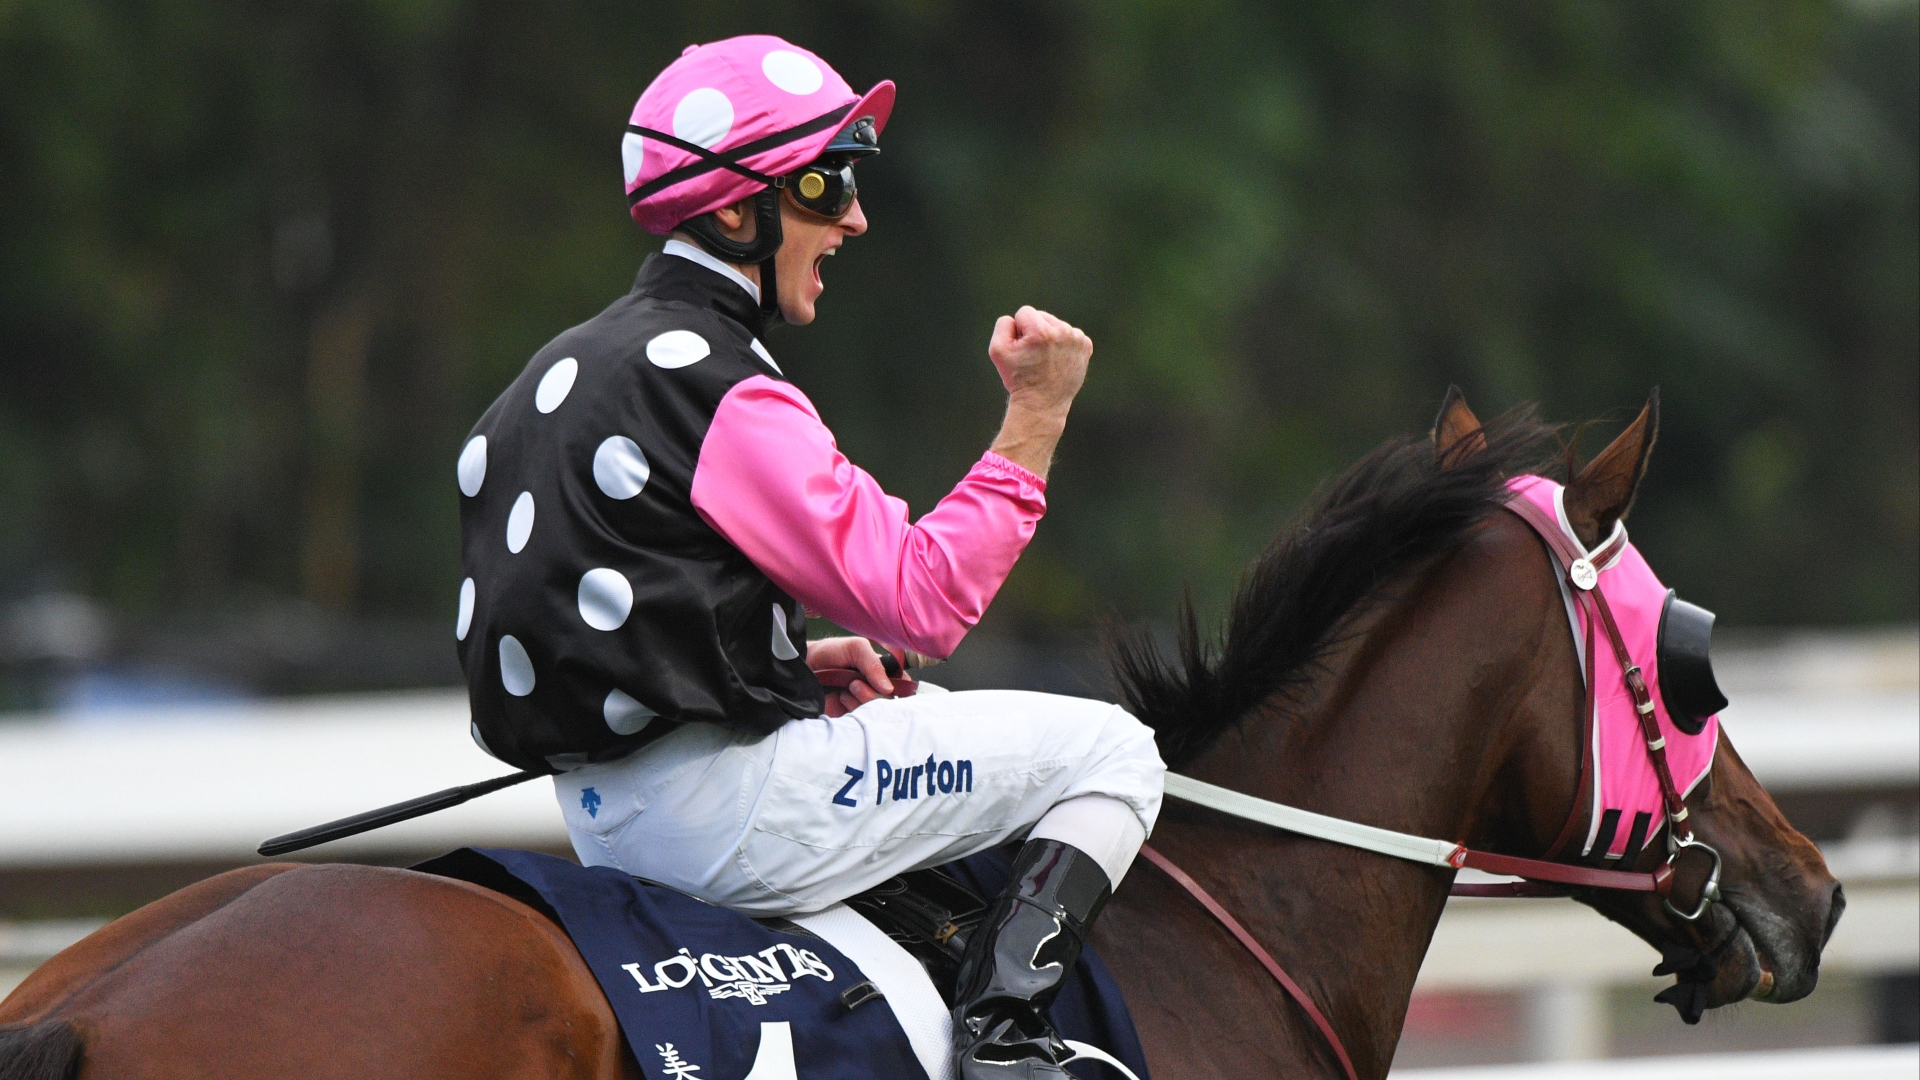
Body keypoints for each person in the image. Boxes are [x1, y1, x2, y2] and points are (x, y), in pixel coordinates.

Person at [453, 35, 1164, 1079]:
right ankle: (1004, 1040)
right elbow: (924, 596)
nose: (853, 219)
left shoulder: (551, 372)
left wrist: (785, 662)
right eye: (826, 186)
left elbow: (616, 606)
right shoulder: (723, 384)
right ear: (736, 211)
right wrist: (1036, 414)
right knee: (1116, 752)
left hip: (606, 822)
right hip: (729, 819)